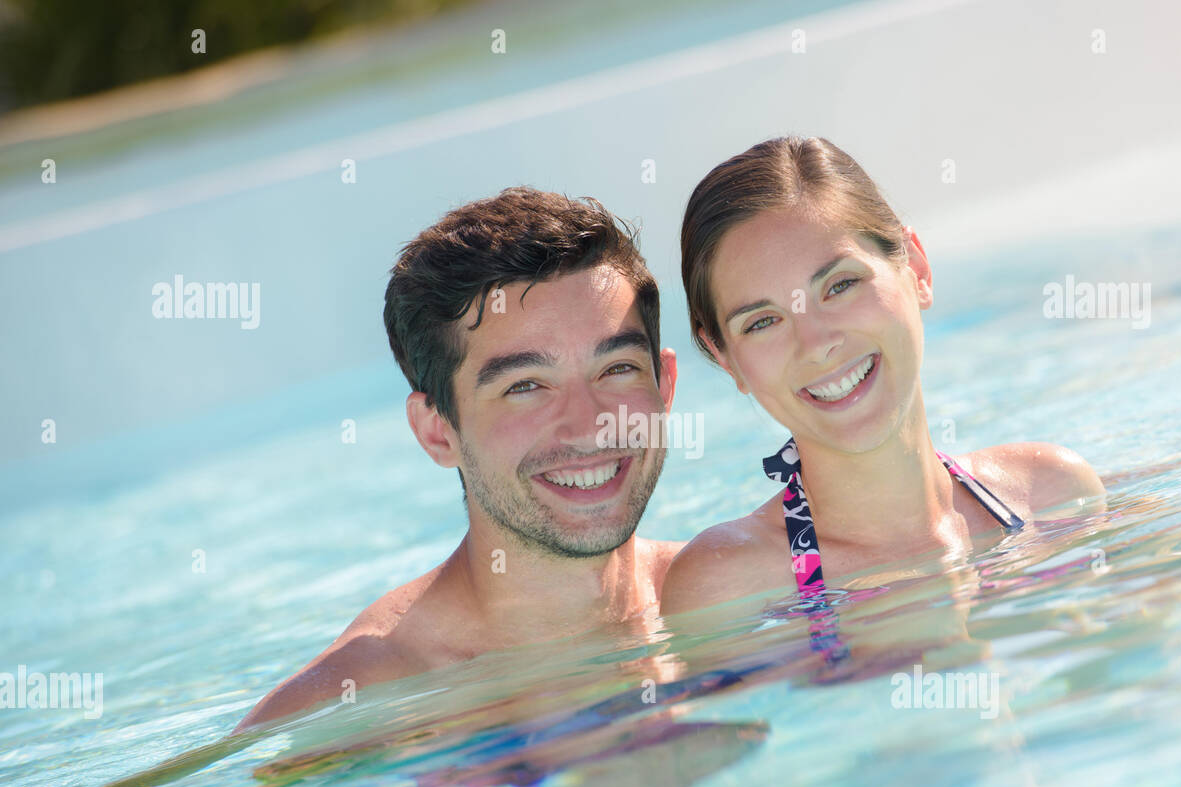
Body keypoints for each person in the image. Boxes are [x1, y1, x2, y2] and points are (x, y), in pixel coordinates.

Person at [235, 188, 682, 731]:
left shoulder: (744, 584)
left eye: (616, 369)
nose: (590, 423)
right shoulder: (351, 711)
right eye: (525, 386)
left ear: (665, 384)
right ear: (437, 432)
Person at [660, 136, 1105, 616]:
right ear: (725, 359)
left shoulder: (1055, 495)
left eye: (841, 285)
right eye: (762, 321)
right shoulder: (728, 586)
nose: (816, 344)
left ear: (917, 269)